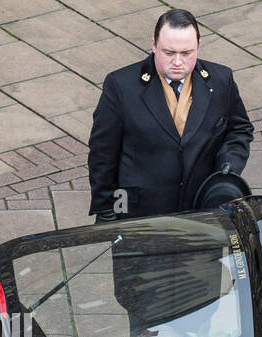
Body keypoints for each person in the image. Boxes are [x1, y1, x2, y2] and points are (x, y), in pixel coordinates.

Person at [87, 8, 253, 221]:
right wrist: (106, 208)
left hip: (201, 212)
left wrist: (228, 164)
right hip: (140, 216)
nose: (177, 62)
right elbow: (102, 153)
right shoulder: (121, 86)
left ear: (198, 47)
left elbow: (239, 129)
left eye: (186, 53)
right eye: (169, 53)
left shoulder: (221, 80)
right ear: (154, 45)